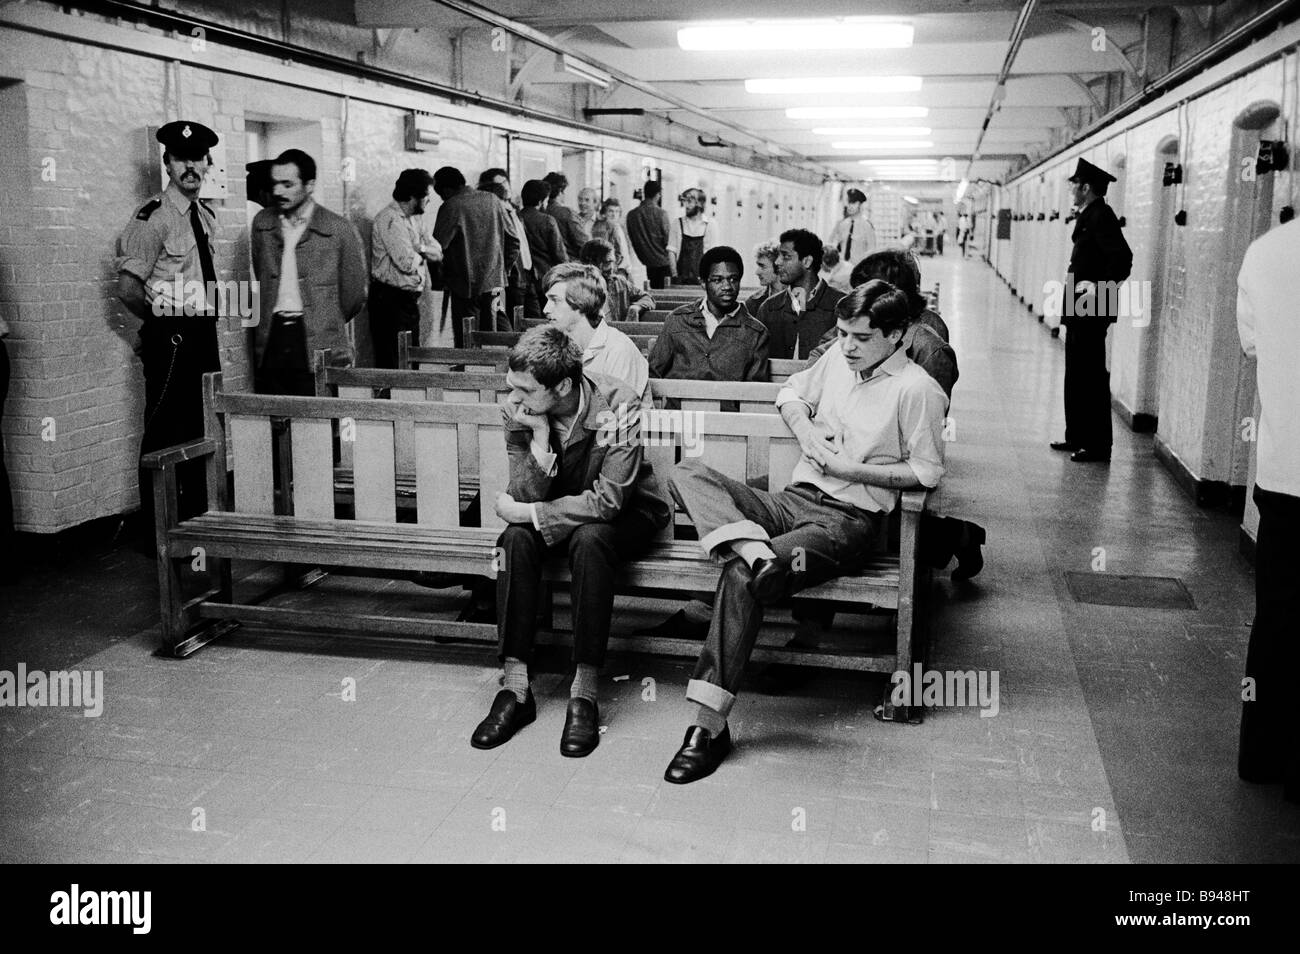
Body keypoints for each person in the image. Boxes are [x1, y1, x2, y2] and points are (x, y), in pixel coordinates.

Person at [661, 280, 948, 783]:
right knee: (688, 472)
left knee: (742, 579)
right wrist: (806, 430)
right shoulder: (838, 359)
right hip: (790, 502)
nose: (848, 346)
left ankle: (707, 727)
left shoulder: (917, 390)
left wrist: (851, 468)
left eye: (861, 337)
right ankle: (754, 550)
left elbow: (924, 473)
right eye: (842, 333)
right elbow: (791, 392)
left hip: (845, 522)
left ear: (897, 334)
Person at [469, 326, 670, 757]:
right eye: (512, 387)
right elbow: (521, 496)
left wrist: (533, 513)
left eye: (525, 389)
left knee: (591, 539)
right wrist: (540, 439)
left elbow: (611, 499)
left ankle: (584, 691)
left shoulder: (619, 404)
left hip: (628, 513)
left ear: (562, 385)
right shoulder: (519, 410)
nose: (514, 398)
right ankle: (516, 687)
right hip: (561, 509)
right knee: (514, 540)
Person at [115, 120, 224, 529]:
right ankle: (157, 531)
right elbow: (129, 289)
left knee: (201, 425)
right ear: (167, 163)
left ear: (207, 162)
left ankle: (196, 520)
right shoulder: (152, 218)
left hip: (203, 332)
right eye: (181, 159)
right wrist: (161, 326)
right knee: (164, 431)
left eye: (197, 158)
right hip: (173, 335)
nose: (190, 166)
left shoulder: (206, 215)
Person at [1236, 215, 1300, 804]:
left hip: (1284, 473)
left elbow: (1252, 343)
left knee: (1277, 618)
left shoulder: (1266, 251)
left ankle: (1260, 753)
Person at [250, 149, 367, 395]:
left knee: (316, 419)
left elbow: (354, 294)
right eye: (275, 184)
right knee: (275, 413)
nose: (278, 191)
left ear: (310, 185)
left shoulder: (338, 228)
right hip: (274, 334)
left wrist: (325, 317)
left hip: (318, 338)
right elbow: (260, 273)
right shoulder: (262, 223)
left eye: (287, 184)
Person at [1049, 158, 1132, 464]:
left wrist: (1100, 287)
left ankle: (1097, 445)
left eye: (1075, 185)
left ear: (1086, 187)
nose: (1071, 189)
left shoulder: (1101, 216)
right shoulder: (1090, 215)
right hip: (1080, 310)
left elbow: (1122, 259)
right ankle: (1077, 436)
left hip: (1092, 310)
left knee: (1092, 378)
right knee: (1076, 374)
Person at [648, 245, 770, 382]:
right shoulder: (677, 320)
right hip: (678, 402)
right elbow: (653, 374)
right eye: (717, 280)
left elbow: (754, 393)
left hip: (727, 402)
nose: (727, 287)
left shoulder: (756, 333)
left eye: (733, 279)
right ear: (703, 283)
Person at [432, 166, 518, 346]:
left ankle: (468, 373)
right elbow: (513, 241)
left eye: (441, 194)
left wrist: (440, 281)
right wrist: (502, 270)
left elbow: (437, 250)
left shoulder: (451, 206)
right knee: (499, 337)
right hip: (494, 284)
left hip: (463, 286)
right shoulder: (493, 200)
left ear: (446, 190)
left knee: (467, 342)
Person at [369, 168, 441, 368]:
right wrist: (423, 252)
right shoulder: (389, 219)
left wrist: (420, 249)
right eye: (426, 196)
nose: (429, 201)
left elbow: (438, 251)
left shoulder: (416, 219)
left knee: (411, 357)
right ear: (412, 197)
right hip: (389, 299)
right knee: (392, 361)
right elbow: (406, 262)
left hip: (408, 300)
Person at [544, 262, 649, 397]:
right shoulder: (556, 345)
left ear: (581, 303)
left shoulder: (618, 350)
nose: (546, 309)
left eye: (555, 300)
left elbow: (621, 414)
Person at [755, 229, 845, 360]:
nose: (777, 262)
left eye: (786, 256)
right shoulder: (768, 308)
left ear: (807, 261)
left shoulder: (841, 305)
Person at [478, 168, 529, 329]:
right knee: (502, 317)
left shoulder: (514, 209)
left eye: (505, 182)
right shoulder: (497, 209)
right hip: (509, 275)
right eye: (499, 184)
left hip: (521, 273)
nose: (504, 187)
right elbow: (512, 244)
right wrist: (504, 268)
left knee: (509, 319)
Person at [518, 179, 568, 322]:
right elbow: (559, 255)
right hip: (546, 279)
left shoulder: (516, 217)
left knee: (526, 321)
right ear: (541, 201)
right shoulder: (547, 220)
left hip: (523, 280)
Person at [579, 239, 654, 323]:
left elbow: (647, 297)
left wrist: (635, 308)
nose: (612, 268)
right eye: (607, 262)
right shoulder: (578, 288)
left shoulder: (619, 283)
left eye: (613, 262)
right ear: (591, 264)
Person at [626, 180, 673, 289]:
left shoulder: (632, 215)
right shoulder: (661, 214)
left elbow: (632, 239)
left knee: (655, 291)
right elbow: (669, 241)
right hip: (664, 263)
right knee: (668, 293)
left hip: (647, 262)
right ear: (658, 195)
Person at [668, 188, 710, 284]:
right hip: (681, 278)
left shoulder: (709, 225)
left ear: (700, 203)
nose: (686, 205)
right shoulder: (677, 223)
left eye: (690, 201)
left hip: (702, 280)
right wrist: (675, 276)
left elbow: (713, 255)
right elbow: (671, 251)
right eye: (685, 201)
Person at [543, 172, 589, 260]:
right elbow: (584, 243)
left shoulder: (542, 212)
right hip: (571, 264)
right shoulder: (567, 213)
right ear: (560, 192)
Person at [828, 188, 876, 269]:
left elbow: (871, 251)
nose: (850, 206)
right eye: (849, 203)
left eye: (853, 203)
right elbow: (832, 244)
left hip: (859, 268)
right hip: (842, 268)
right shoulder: (841, 224)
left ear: (860, 205)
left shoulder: (867, 226)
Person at [591, 197, 635, 279]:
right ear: (604, 212)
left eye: (617, 211)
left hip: (625, 270)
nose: (614, 214)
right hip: (616, 271)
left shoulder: (620, 227)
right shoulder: (602, 228)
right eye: (610, 211)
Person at [743, 239, 784, 316]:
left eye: (762, 266)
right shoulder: (753, 303)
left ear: (778, 267)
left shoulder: (799, 300)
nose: (757, 272)